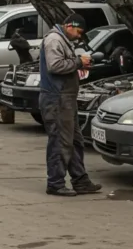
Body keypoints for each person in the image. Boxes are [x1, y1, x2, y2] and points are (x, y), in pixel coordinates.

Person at [38, 13, 102, 197]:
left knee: (75, 141)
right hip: (57, 98)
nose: (80, 36)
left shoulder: (63, 40)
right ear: (69, 26)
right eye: (79, 32)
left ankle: (80, 181)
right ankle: (55, 183)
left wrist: (79, 65)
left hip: (65, 98)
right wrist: (78, 62)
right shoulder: (54, 40)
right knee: (60, 142)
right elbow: (55, 66)